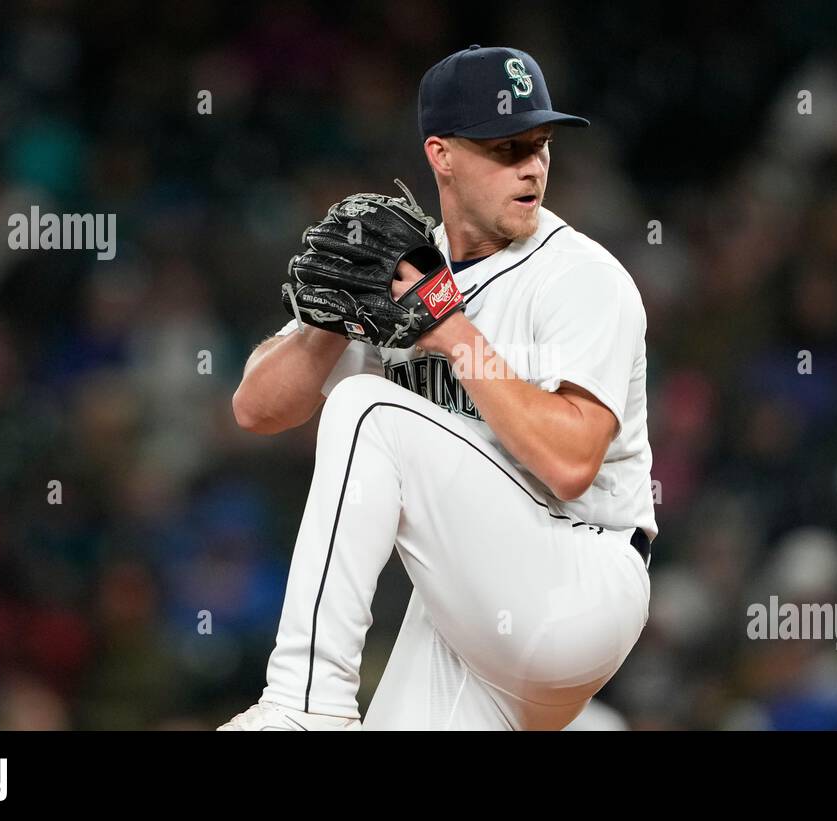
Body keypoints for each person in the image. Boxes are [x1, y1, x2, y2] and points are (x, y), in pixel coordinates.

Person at [221, 45, 655, 730]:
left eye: (540, 145)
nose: (532, 165)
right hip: (472, 615)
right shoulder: (400, 266)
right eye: (506, 146)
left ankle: (306, 704)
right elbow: (254, 408)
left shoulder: (578, 276)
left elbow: (573, 464)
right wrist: (327, 325)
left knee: (366, 409)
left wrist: (453, 332)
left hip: (579, 578)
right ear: (441, 154)